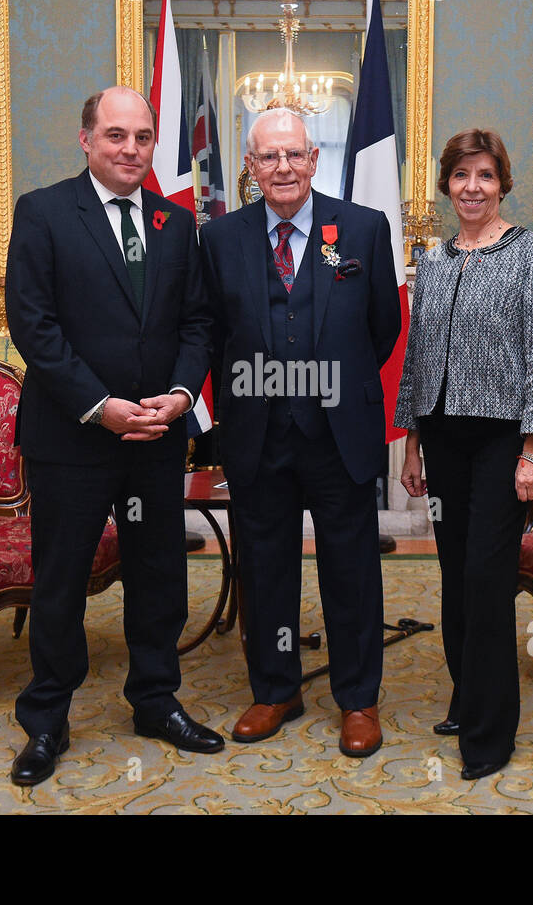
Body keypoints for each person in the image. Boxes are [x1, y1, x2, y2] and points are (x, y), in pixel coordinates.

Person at [4, 85, 223, 787]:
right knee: (61, 582)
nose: (131, 149)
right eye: (116, 136)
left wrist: (183, 395)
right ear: (86, 139)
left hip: (156, 437)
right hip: (72, 438)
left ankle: (155, 701)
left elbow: (197, 323)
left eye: (143, 136)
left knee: (159, 576)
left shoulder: (174, 220)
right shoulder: (42, 213)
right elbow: (33, 327)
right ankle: (46, 720)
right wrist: (100, 406)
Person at [200, 108, 401, 757]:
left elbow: (381, 328)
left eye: (293, 154)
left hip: (338, 431)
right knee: (265, 570)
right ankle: (276, 687)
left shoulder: (363, 230)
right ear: (251, 167)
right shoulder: (221, 238)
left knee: (351, 571)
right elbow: (213, 331)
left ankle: (358, 699)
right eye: (268, 157)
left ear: (315, 159)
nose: (282, 167)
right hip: (258, 431)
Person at [394, 128, 533, 780]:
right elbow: (416, 359)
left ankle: (491, 732)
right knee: (456, 574)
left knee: (488, 582)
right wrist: (411, 446)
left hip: (502, 440)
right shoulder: (432, 260)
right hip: (442, 438)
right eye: (461, 176)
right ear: (446, 184)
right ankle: (467, 694)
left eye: (485, 176)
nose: (472, 187)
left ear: (503, 183)